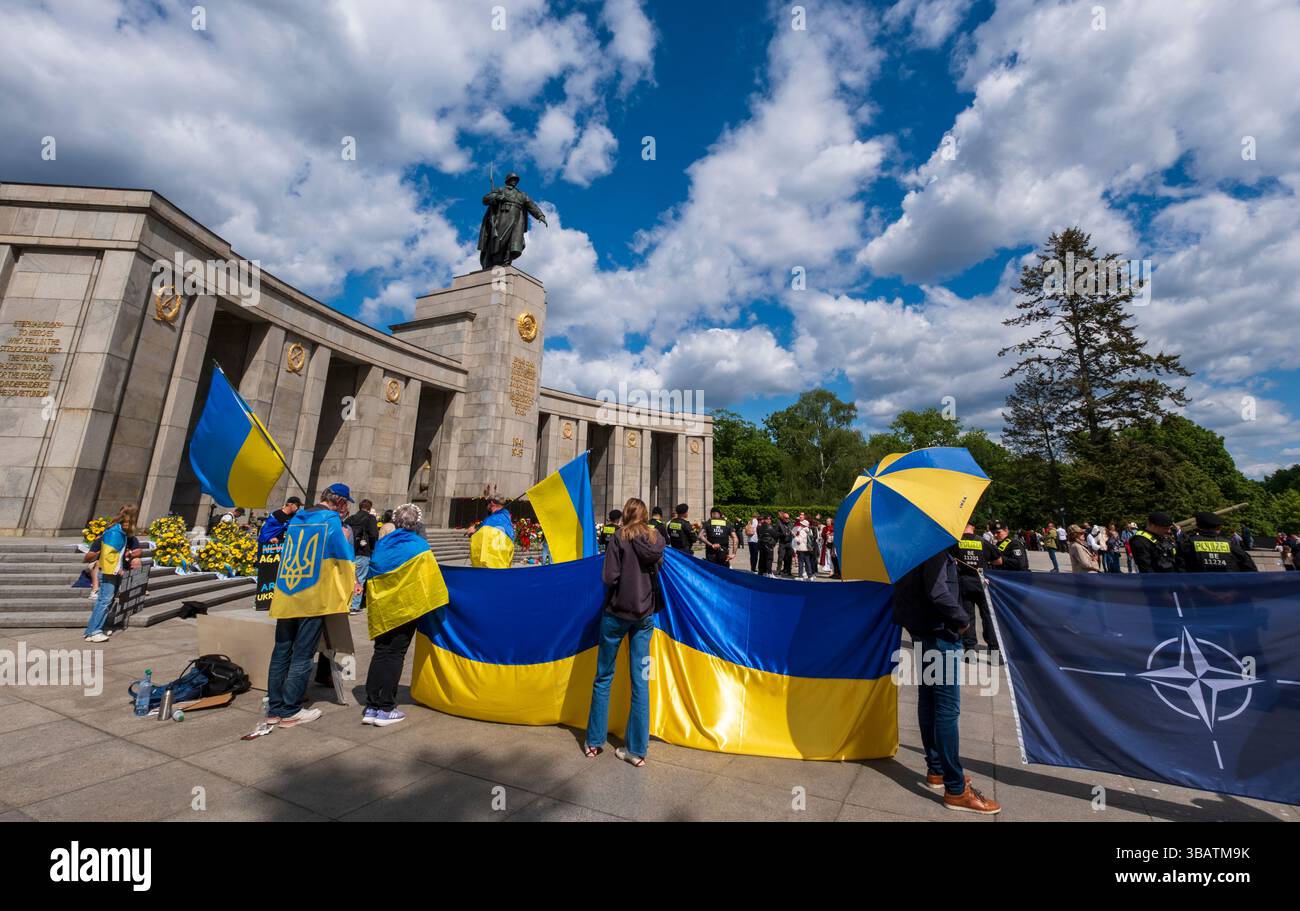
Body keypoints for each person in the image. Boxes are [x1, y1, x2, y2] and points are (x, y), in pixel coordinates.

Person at [891, 550, 1000, 814]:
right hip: (940, 635)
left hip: (923, 631)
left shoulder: (912, 549)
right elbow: (938, 591)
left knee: (928, 700)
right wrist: (962, 621)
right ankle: (955, 789)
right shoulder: (934, 550)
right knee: (947, 709)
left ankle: (937, 770)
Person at [265, 483, 355, 727]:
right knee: (303, 655)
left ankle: (274, 707)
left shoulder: (297, 518)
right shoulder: (331, 520)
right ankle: (290, 710)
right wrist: (346, 542)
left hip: (287, 594)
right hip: (312, 597)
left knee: (281, 652)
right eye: (346, 504)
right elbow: (343, 559)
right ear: (341, 503)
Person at [585, 498, 664, 768]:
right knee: (641, 681)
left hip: (615, 616)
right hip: (644, 618)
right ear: (645, 515)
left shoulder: (619, 537)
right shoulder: (656, 539)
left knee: (603, 676)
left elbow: (609, 578)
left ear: (627, 514)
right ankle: (637, 751)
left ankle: (594, 743)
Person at [362, 503, 448, 727]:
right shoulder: (419, 545)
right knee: (396, 655)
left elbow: (374, 572)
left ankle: (371, 706)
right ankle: (386, 708)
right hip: (406, 608)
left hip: (383, 608)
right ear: (415, 523)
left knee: (380, 652)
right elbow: (431, 578)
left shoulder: (382, 545)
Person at [82, 505, 144, 642]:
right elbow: (108, 555)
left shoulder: (120, 532)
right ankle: (94, 631)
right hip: (110, 572)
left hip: (112, 571)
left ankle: (93, 630)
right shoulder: (115, 533)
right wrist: (118, 570)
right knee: (104, 601)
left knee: (106, 601)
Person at [951, 522, 997, 651]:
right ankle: (994, 650)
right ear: (974, 528)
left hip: (964, 582)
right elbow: (998, 560)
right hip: (982, 582)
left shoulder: (956, 542)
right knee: (988, 616)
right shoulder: (982, 541)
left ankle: (970, 649)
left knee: (967, 615)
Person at [1178, 512, 1259, 572]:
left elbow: (1179, 569)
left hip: (1197, 591)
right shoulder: (1230, 544)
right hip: (1227, 592)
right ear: (1219, 527)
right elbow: (1250, 568)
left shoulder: (1188, 543)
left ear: (1198, 526)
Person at [346, 499, 380, 613]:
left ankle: (346, 602)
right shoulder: (370, 518)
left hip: (350, 551)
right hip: (363, 551)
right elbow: (374, 535)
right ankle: (354, 605)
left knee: (349, 577)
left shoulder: (351, 518)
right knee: (360, 578)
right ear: (370, 508)